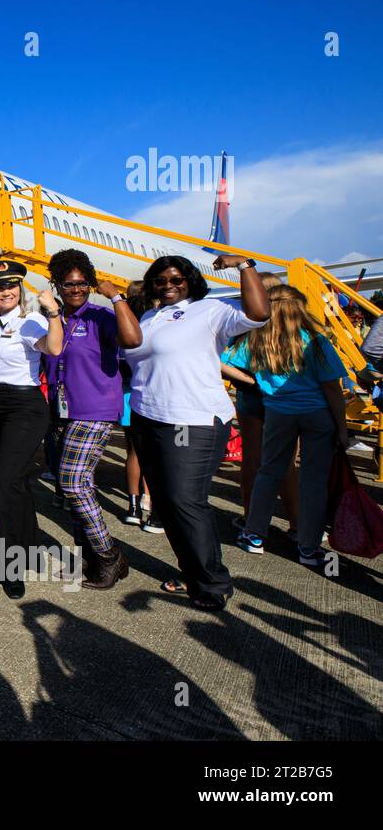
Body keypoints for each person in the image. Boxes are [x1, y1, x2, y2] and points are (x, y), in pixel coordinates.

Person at [124, 253, 269, 611]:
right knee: (168, 504)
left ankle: (212, 583)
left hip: (190, 420)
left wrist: (244, 266)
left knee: (186, 502)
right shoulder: (149, 316)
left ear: (189, 280)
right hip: (147, 417)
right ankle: (191, 571)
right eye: (161, 280)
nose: (169, 286)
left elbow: (259, 313)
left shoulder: (210, 310)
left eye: (177, 279)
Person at [35, 249, 143, 590]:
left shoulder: (100, 316)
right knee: (81, 486)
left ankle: (110, 555)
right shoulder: (54, 318)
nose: (76, 290)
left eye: (83, 284)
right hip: (64, 412)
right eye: (68, 284)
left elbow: (132, 339)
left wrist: (116, 296)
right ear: (57, 285)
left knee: (72, 483)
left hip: (94, 410)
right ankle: (96, 558)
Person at [223, 285, 349, 570]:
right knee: (314, 481)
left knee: (269, 472)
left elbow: (222, 361)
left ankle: (254, 534)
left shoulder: (258, 340)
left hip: (278, 413)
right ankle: (308, 545)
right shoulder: (316, 341)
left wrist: (254, 382)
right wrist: (341, 428)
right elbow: (332, 388)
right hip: (317, 415)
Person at [0, 260, 50, 599]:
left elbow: (54, 348)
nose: (6, 291)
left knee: (4, 480)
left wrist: (55, 315)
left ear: (20, 290)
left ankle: (10, 565)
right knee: (15, 480)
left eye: (12, 286)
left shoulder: (30, 320)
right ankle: (30, 547)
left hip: (25, 405)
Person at [221, 273, 299, 536]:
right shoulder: (299, 335)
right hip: (287, 404)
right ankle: (297, 524)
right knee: (286, 463)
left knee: (252, 460)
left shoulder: (250, 332)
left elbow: (223, 361)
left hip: (252, 401)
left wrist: (252, 382)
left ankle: (252, 524)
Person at [118, 281, 153, 527]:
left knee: (133, 452)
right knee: (154, 454)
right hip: (152, 396)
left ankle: (133, 506)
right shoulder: (153, 321)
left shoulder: (119, 322)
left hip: (127, 395)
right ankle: (150, 501)